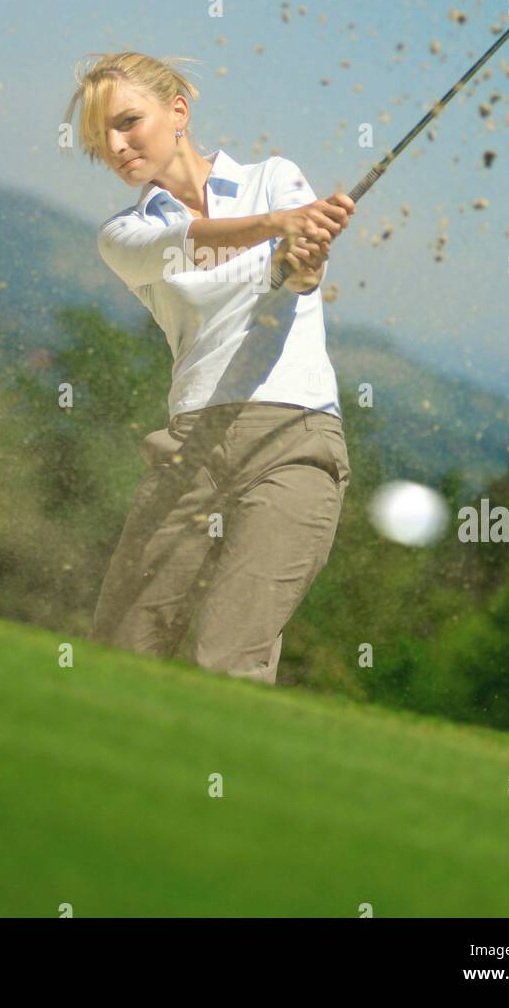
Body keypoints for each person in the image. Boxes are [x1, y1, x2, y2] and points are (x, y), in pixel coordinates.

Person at [62, 51, 355, 685]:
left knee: (227, 660)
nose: (116, 146)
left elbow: (306, 276)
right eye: (99, 140)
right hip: (188, 448)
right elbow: (187, 247)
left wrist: (303, 253)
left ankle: (228, 783)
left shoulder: (274, 175)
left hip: (293, 442)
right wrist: (279, 227)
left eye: (127, 121)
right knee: (121, 655)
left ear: (178, 111)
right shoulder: (123, 234)